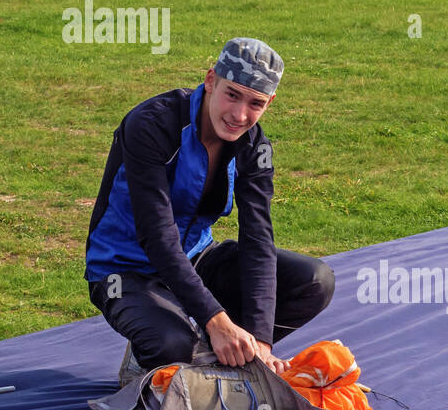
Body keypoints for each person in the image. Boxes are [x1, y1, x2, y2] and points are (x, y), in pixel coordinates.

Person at [85, 37, 335, 376]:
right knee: (173, 344)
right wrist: (216, 320)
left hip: (195, 257)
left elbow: (258, 240)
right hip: (125, 269)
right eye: (232, 94)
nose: (239, 115)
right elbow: (157, 237)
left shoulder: (254, 147)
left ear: (270, 103)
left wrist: (260, 340)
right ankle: (168, 348)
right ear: (210, 81)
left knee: (314, 281)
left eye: (256, 103)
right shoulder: (152, 124)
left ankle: (222, 350)